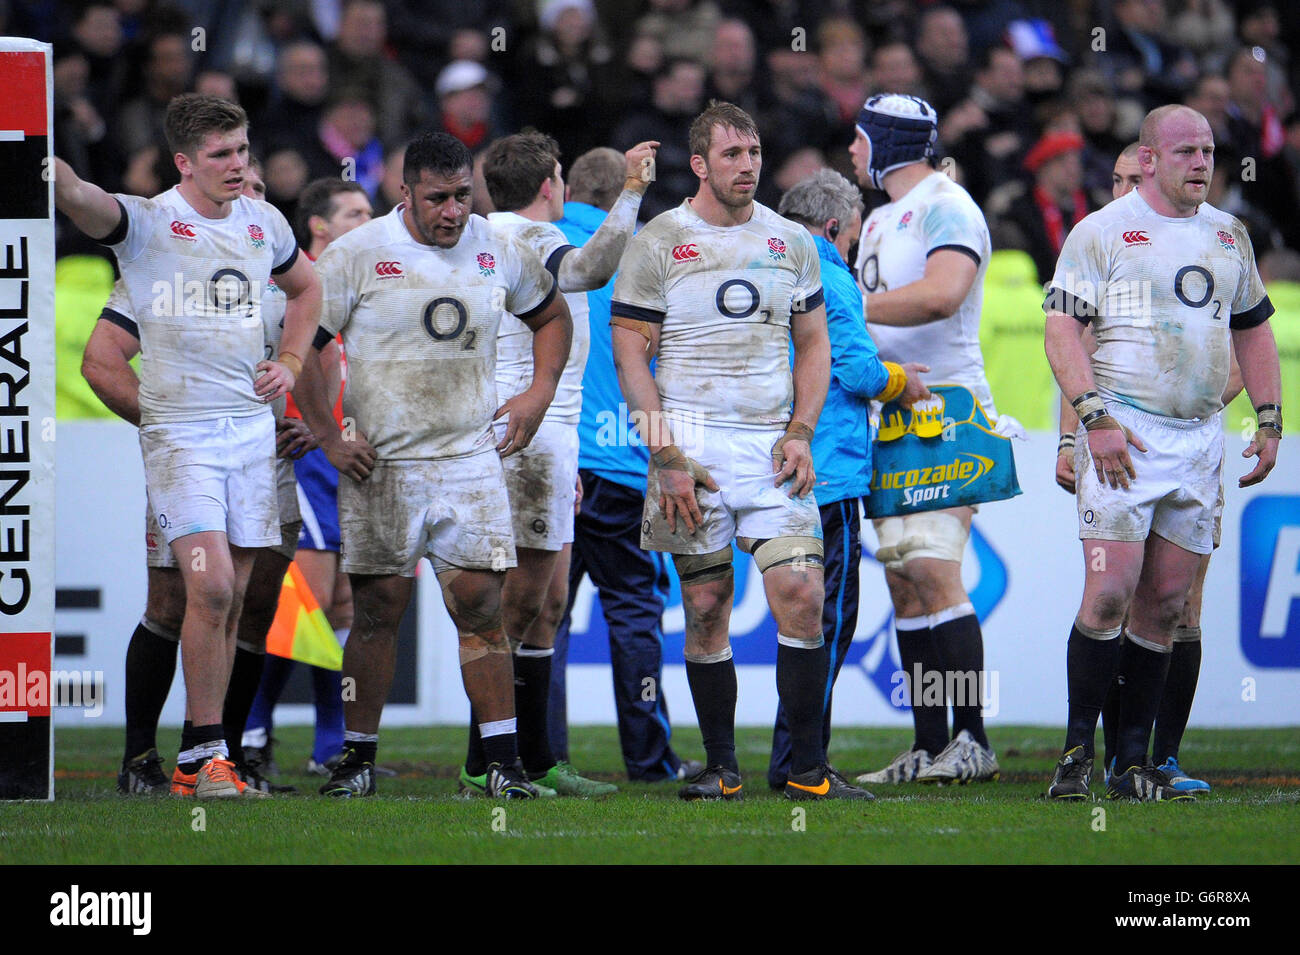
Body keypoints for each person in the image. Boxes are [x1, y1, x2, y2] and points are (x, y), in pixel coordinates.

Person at [56, 93, 322, 798]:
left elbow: (308, 288)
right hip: (183, 441)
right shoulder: (148, 224)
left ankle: (202, 756)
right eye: (221, 155)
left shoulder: (263, 223)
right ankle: (191, 757)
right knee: (205, 586)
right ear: (183, 162)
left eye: (242, 151)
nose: (238, 165)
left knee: (232, 600)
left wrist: (291, 363)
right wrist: (50, 169)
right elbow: (88, 203)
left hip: (252, 439)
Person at [611, 100, 873, 801]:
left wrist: (800, 431)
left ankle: (807, 771)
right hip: (689, 450)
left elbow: (815, 345)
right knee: (704, 605)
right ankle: (721, 767)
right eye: (731, 154)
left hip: (770, 447)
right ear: (698, 164)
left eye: (753, 152)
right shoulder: (661, 239)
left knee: (803, 594)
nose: (747, 165)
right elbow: (630, 352)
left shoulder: (791, 240)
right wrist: (663, 453)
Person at [297, 131, 573, 799]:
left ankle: (501, 765)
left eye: (461, 196)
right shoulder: (357, 254)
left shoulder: (496, 245)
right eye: (437, 199)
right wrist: (330, 440)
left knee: (482, 606)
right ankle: (355, 758)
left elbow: (553, 315)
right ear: (406, 194)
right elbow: (303, 344)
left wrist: (537, 394)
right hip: (381, 463)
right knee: (377, 611)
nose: (453, 211)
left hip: (467, 456)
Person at [1044, 105, 1281, 801]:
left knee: (1168, 603)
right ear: (1149, 159)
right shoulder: (1102, 232)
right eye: (1186, 151)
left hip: (1199, 440)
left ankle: (1131, 763)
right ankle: (1074, 753)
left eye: (1209, 151)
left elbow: (1255, 333)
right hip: (1125, 432)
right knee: (1110, 590)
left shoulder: (1229, 235)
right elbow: (1062, 332)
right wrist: (1093, 420)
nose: (1202, 163)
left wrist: (1268, 418)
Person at [455, 132, 658, 797]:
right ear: (551, 186)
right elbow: (594, 269)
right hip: (527, 431)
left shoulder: (488, 235)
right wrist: (631, 189)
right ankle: (487, 759)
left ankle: (537, 758)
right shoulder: (529, 239)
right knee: (515, 605)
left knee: (543, 606)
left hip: (551, 435)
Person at [849, 93, 1002, 786]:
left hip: (950, 408)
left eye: (859, 139)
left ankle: (974, 740)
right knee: (905, 580)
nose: (852, 152)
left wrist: (846, 307)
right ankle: (929, 742)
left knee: (936, 568)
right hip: (892, 411)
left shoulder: (950, 203)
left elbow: (943, 293)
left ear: (885, 142)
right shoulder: (879, 218)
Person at [766, 169, 929, 789]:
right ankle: (803, 764)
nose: (854, 250)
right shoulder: (829, 273)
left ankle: (793, 760)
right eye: (854, 238)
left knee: (795, 617)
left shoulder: (767, 266)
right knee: (827, 621)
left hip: (775, 462)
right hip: (826, 472)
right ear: (834, 228)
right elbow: (857, 371)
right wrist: (901, 383)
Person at [550, 146, 691, 783]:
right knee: (634, 612)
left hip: (551, 459)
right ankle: (649, 759)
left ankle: (538, 754)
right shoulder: (647, 254)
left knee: (538, 615)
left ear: (568, 187)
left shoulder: (536, 245)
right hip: (625, 462)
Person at [242, 178, 374, 779]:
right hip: (309, 455)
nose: (366, 220)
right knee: (308, 602)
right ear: (318, 226)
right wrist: (300, 426)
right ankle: (253, 729)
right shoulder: (295, 285)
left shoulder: (352, 281)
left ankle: (326, 745)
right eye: (354, 212)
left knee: (339, 604)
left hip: (346, 451)